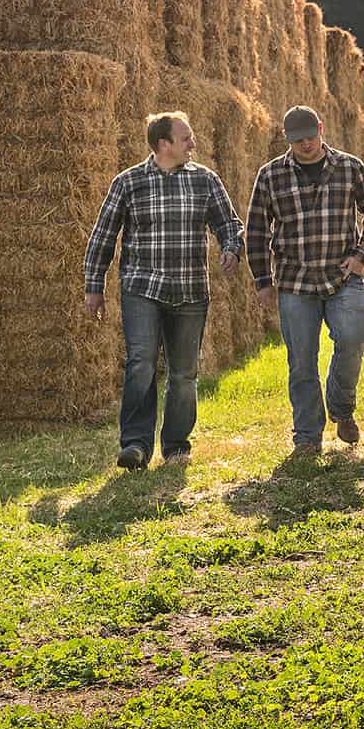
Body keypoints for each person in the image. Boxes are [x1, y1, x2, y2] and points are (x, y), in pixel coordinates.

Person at [84, 111, 244, 470]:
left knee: (184, 374)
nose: (193, 142)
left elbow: (229, 223)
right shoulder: (128, 183)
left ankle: (175, 446)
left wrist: (232, 248)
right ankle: (136, 445)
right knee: (141, 363)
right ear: (163, 144)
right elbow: (103, 237)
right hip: (143, 288)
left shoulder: (206, 181)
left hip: (190, 290)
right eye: (186, 137)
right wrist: (93, 288)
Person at [245, 105, 364, 458]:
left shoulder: (349, 167)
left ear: (321, 130)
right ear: (287, 140)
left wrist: (361, 256)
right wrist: (263, 281)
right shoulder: (270, 175)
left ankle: (341, 409)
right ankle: (307, 437)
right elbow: (257, 230)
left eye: (310, 137)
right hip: (295, 282)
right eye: (297, 140)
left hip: (342, 277)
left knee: (354, 338)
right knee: (301, 361)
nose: (306, 144)